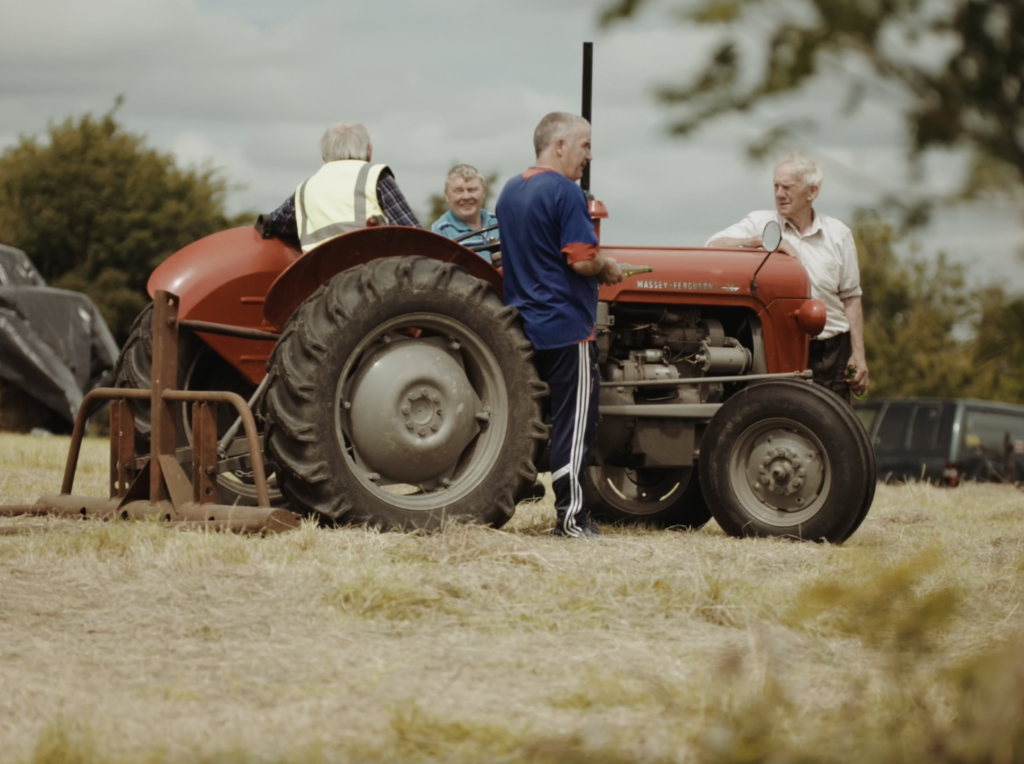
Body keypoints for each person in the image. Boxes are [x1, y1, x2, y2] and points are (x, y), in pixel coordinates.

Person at [496, 112, 623, 538]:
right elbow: (582, 260)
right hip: (568, 328)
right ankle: (572, 520)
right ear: (560, 145)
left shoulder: (511, 191)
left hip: (522, 326)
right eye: (585, 145)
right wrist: (606, 266)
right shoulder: (566, 192)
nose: (589, 155)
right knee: (576, 425)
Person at [706, 152, 868, 403]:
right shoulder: (761, 222)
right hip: (779, 344)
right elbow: (712, 246)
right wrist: (756, 242)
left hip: (832, 350)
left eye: (788, 187)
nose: (779, 194)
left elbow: (851, 297)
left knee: (833, 430)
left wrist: (858, 355)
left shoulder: (838, 234)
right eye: (776, 186)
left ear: (812, 192)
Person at [260, 121, 420, 251]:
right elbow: (414, 234)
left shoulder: (304, 189)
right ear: (369, 151)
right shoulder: (374, 176)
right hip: (373, 276)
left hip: (319, 281)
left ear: (324, 156)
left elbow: (271, 224)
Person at [431, 164, 501, 263]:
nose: (466, 197)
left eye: (472, 190)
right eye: (458, 191)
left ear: (483, 192)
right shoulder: (440, 232)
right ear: (447, 195)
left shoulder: (498, 222)